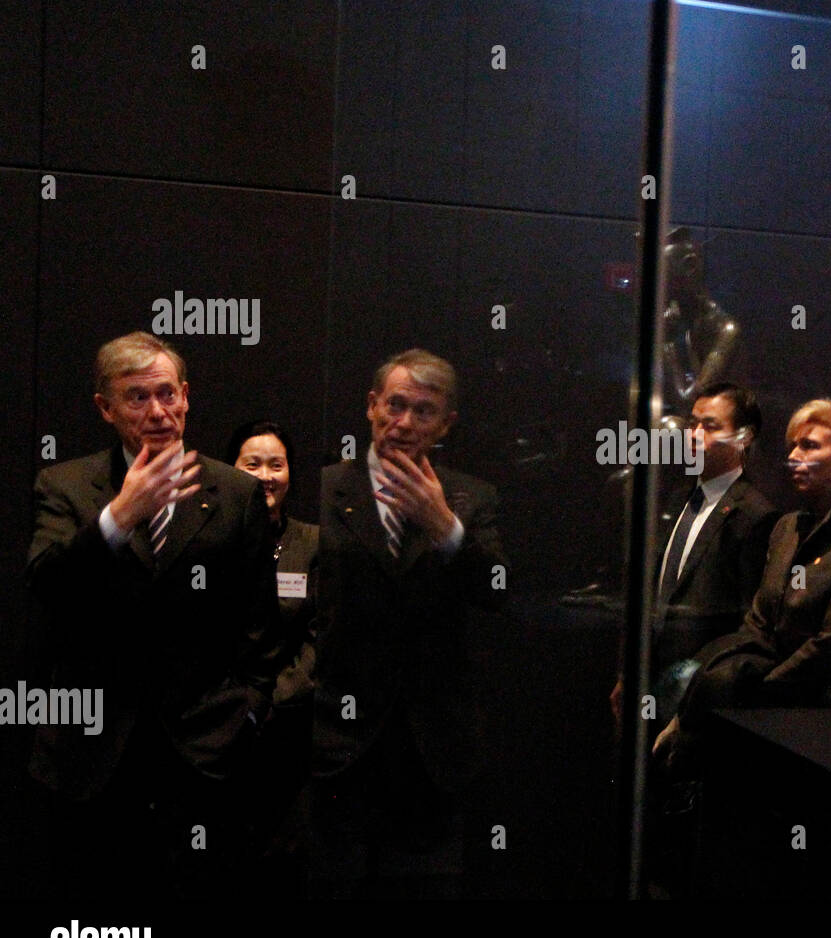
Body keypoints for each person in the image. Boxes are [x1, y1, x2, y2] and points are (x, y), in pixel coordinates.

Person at [26, 331, 279, 896]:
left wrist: (248, 712)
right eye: (137, 397)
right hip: (92, 756)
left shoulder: (235, 492)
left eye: (167, 394)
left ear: (186, 396)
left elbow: (260, 624)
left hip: (204, 751)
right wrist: (118, 517)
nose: (158, 411)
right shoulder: (65, 485)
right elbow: (47, 588)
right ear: (105, 408)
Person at [311, 348, 508, 896]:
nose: (404, 423)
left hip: (432, 749)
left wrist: (444, 527)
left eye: (423, 411)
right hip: (338, 741)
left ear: (446, 424)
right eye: (395, 405)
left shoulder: (471, 498)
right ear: (371, 406)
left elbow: (497, 592)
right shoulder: (323, 490)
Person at [653, 399, 831, 772]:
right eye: (793, 447)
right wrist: (710, 691)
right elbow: (758, 623)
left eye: (810, 446)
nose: (795, 456)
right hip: (765, 716)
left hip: (826, 725)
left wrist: (756, 691)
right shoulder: (787, 528)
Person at [609, 381, 778, 734]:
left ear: (743, 438)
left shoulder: (754, 515)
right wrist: (628, 669)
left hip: (701, 690)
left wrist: (700, 688)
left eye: (711, 426)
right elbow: (651, 592)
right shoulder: (677, 500)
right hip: (651, 678)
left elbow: (748, 622)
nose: (695, 434)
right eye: (693, 424)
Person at [226, 419, 318, 888]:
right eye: (252, 464)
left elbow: (322, 635)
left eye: (276, 464)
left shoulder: (313, 543)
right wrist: (237, 706)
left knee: (284, 865)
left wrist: (274, 699)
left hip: (289, 728)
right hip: (221, 729)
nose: (265, 475)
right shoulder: (209, 539)